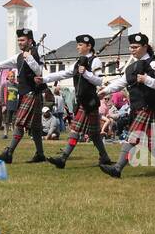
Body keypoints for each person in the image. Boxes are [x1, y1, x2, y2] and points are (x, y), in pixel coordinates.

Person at [97, 33, 155, 178]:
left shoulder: (154, 65)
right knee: (152, 144)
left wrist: (147, 80)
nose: (132, 50)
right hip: (138, 107)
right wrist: (105, 91)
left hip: (149, 107)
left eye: (135, 47)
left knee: (132, 138)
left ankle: (117, 168)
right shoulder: (131, 67)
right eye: (131, 47)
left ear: (145, 47)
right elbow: (122, 82)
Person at [42, 34, 113, 169]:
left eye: (80, 45)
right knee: (94, 134)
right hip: (82, 101)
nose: (77, 47)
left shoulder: (95, 61)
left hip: (90, 101)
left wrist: (85, 73)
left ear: (89, 46)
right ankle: (105, 157)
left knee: (75, 130)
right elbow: (62, 74)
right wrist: (45, 79)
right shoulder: (78, 62)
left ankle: (63, 159)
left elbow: (99, 80)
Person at [0, 29, 47, 164]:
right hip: (26, 94)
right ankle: (40, 154)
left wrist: (30, 58)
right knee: (36, 128)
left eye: (23, 40)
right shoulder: (18, 57)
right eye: (19, 40)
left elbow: (39, 71)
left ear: (30, 41)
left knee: (19, 123)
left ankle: (9, 153)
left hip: (32, 93)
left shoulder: (36, 53)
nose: (20, 42)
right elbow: (1, 65)